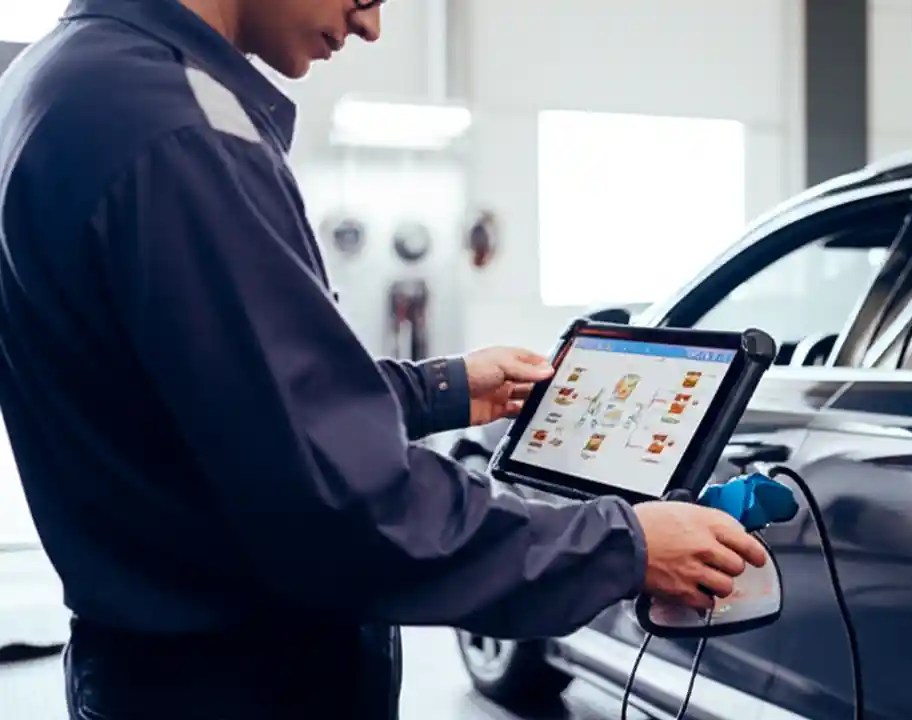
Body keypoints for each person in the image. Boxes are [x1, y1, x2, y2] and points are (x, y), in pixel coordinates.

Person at [0, 1, 768, 718]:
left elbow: (219, 402)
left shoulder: (59, 80)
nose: (370, 24)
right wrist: (623, 547)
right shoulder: (179, 129)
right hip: (243, 682)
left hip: (149, 666)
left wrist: (440, 390)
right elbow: (351, 507)